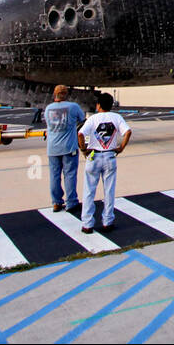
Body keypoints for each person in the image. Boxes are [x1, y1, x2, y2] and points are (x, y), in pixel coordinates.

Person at [77, 94, 131, 234]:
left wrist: (84, 150)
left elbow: (80, 134)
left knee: (89, 191)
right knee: (109, 190)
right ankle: (107, 221)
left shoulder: (93, 118)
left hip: (94, 155)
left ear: (98, 105)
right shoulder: (116, 117)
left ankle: (87, 224)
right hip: (109, 155)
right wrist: (120, 147)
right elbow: (128, 132)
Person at [43, 85, 87, 213]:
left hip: (52, 148)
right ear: (66, 94)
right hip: (69, 147)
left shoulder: (48, 109)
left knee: (54, 176)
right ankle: (71, 202)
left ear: (54, 94)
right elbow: (82, 120)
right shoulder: (73, 107)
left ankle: (56, 202)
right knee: (70, 175)